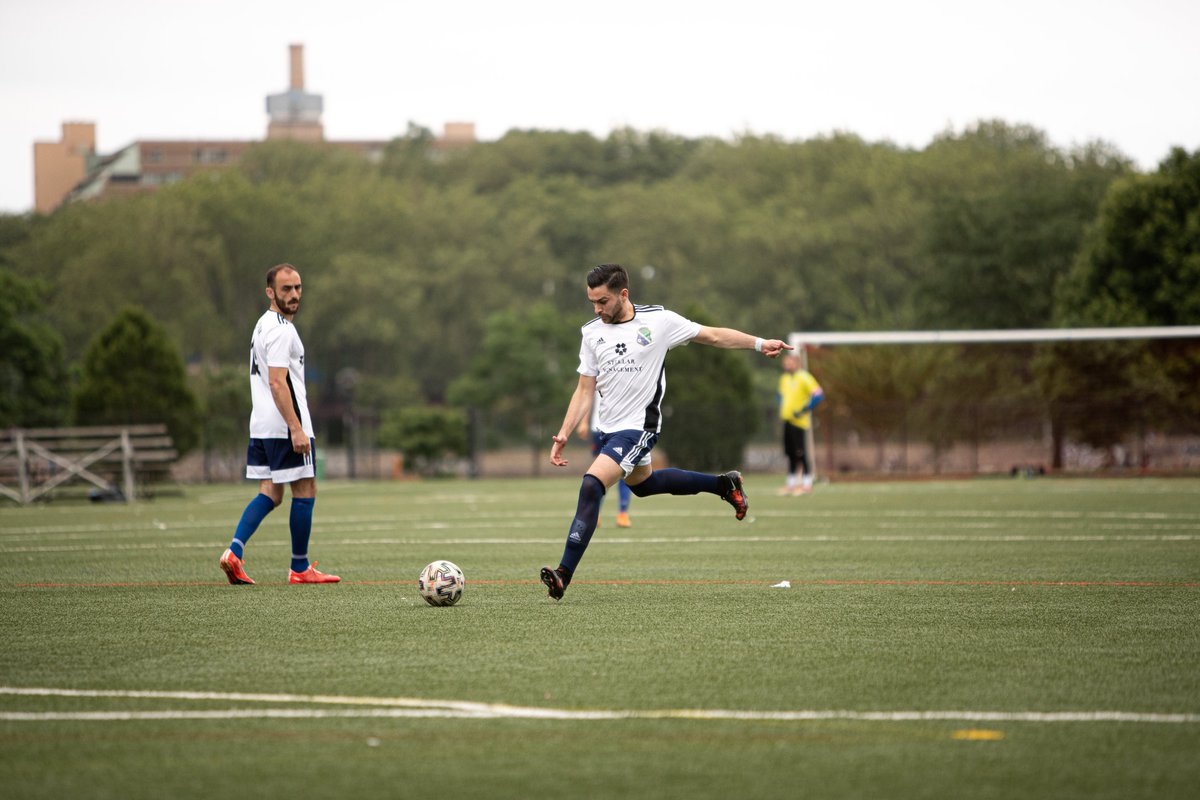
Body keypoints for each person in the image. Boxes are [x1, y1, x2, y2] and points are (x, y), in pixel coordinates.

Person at [541, 263, 792, 600]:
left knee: (591, 485)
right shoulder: (591, 333)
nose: (597, 309)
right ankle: (723, 484)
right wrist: (564, 433)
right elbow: (584, 390)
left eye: (602, 301)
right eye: (592, 303)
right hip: (609, 431)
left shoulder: (659, 322)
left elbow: (713, 335)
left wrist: (760, 344)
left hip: (638, 428)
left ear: (623, 294)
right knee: (644, 485)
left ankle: (563, 574)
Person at [219, 263, 340, 586]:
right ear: (270, 292)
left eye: (298, 287)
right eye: (286, 289)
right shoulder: (282, 330)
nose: (294, 294)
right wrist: (296, 428)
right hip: (284, 426)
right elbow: (276, 381)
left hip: (261, 425)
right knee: (306, 488)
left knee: (271, 492)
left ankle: (234, 552)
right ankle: (300, 568)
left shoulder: (263, 325)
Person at [575, 390, 633, 528]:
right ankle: (595, 514)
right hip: (599, 428)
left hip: (624, 428)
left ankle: (623, 513)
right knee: (600, 474)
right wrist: (583, 422)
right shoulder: (597, 375)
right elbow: (587, 394)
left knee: (625, 470)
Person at [777, 352, 824, 495]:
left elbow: (818, 394)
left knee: (801, 452)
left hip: (799, 422)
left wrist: (804, 409)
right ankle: (791, 484)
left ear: (797, 363)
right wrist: (781, 405)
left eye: (790, 362)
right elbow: (780, 395)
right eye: (785, 363)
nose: (787, 365)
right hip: (787, 420)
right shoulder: (784, 378)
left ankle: (807, 483)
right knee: (790, 453)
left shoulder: (804, 377)